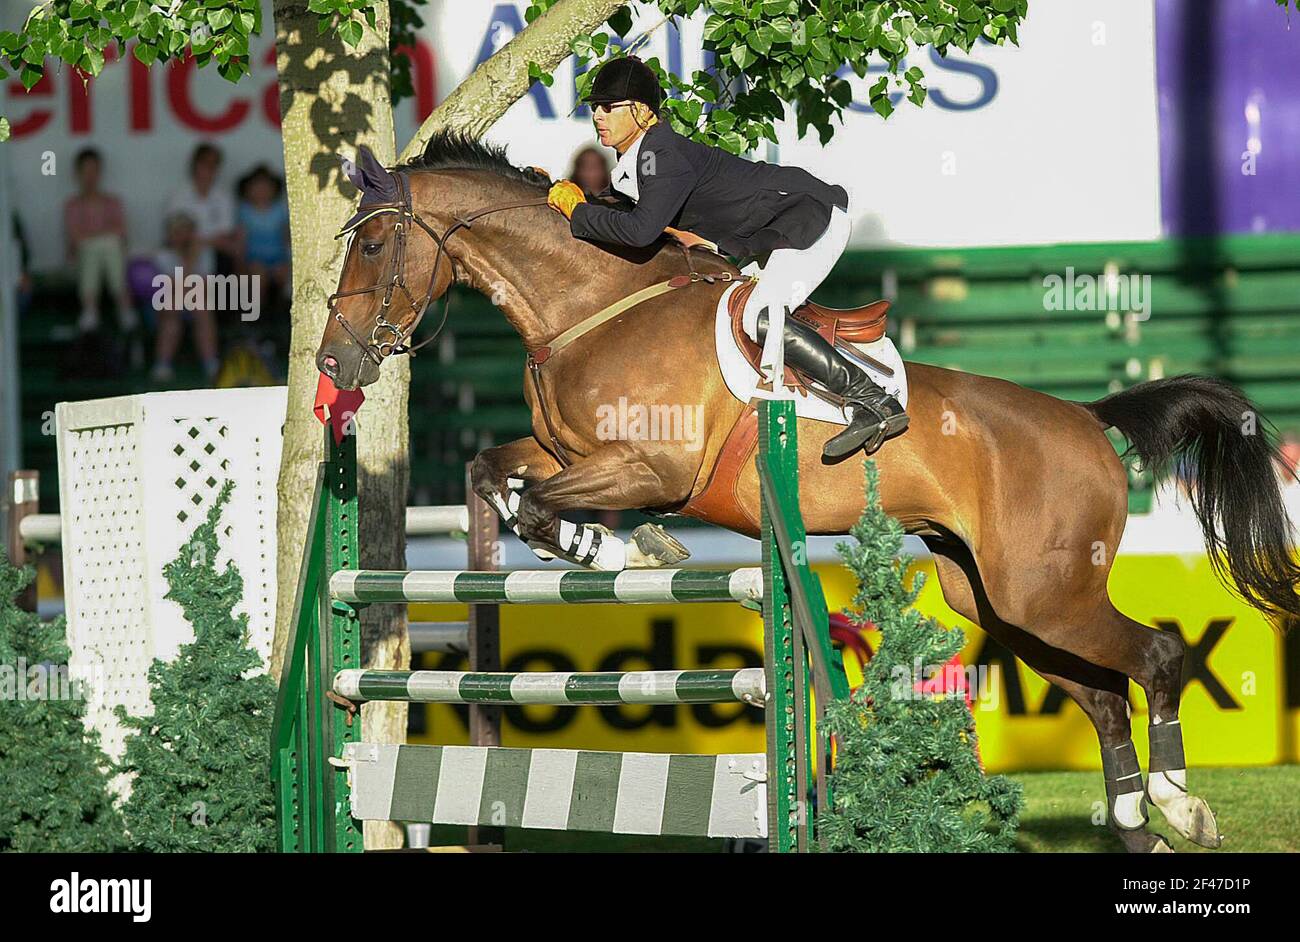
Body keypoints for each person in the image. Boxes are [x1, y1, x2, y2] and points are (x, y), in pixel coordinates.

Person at [546, 56, 907, 459]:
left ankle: (874, 400)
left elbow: (640, 231)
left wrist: (577, 212)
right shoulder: (637, 161)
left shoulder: (662, 155)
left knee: (760, 316)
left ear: (643, 110)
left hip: (806, 218)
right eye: (595, 107)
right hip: (768, 235)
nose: (598, 115)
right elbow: (624, 211)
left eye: (609, 106)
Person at [63, 148, 138, 333]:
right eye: (86, 171)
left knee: (109, 244)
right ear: (78, 174)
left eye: (94, 170)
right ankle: (110, 307)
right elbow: (75, 238)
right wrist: (102, 235)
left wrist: (94, 235)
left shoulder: (113, 202)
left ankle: (100, 309)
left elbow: (122, 232)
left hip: (111, 256)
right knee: (99, 245)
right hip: (80, 260)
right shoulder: (72, 205)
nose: (90, 176)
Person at [151, 211, 220, 383]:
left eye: (185, 231)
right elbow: (169, 288)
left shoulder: (205, 253)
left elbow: (204, 286)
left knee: (200, 306)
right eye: (176, 232)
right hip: (166, 305)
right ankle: (162, 364)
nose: (181, 236)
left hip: (197, 301)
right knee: (172, 313)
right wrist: (190, 261)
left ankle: (211, 363)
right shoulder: (162, 256)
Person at [166, 143, 237, 280]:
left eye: (213, 165)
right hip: (182, 249)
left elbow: (225, 235)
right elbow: (173, 231)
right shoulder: (178, 196)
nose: (208, 169)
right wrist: (194, 242)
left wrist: (200, 242)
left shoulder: (224, 197)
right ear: (195, 165)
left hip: (213, 250)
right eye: (204, 163)